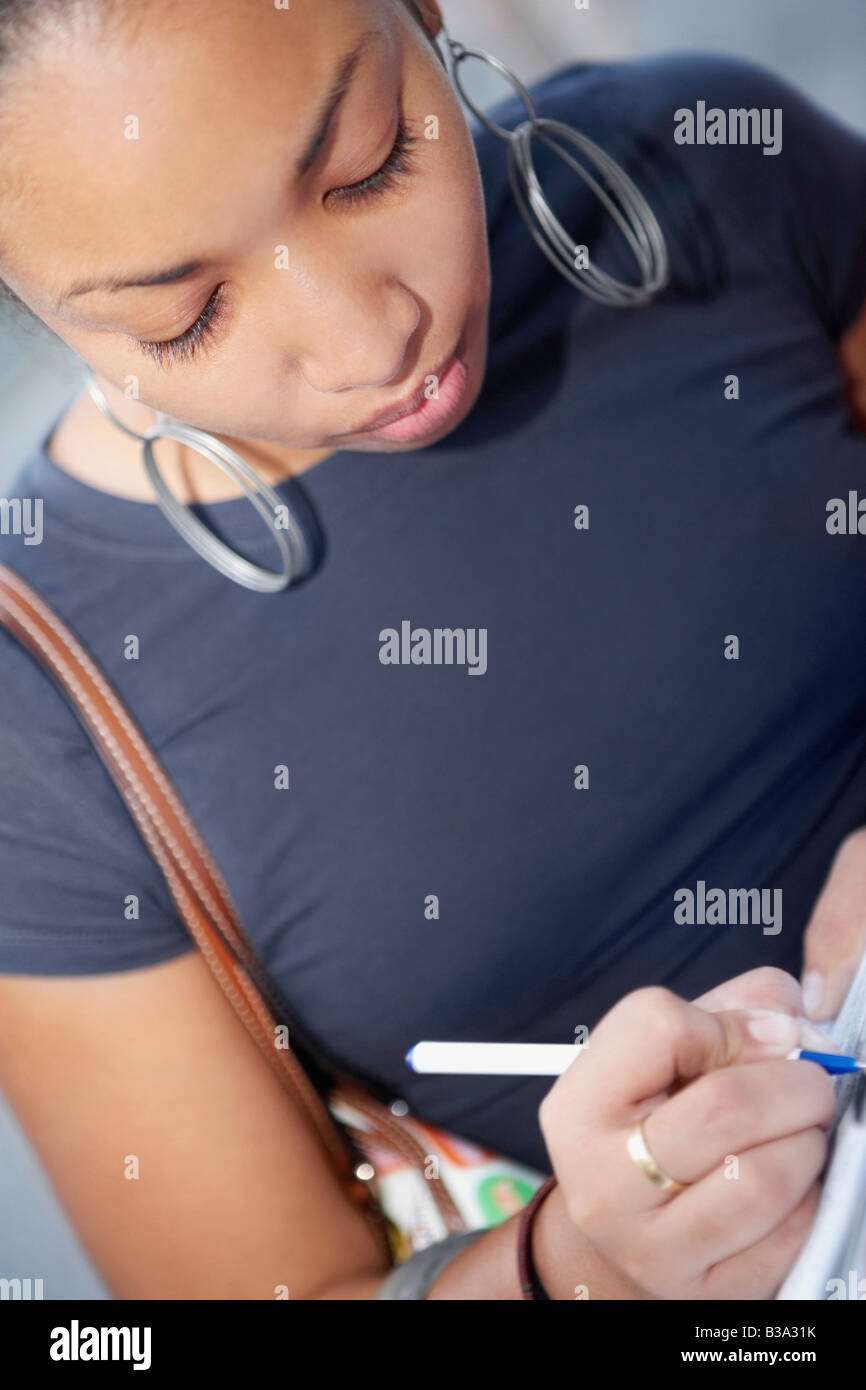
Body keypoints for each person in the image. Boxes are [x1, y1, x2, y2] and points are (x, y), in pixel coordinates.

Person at [0, 0, 864, 1300]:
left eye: (366, 164)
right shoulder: (36, 707)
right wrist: (583, 1262)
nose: (371, 339)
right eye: (184, 319)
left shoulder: (705, 164)